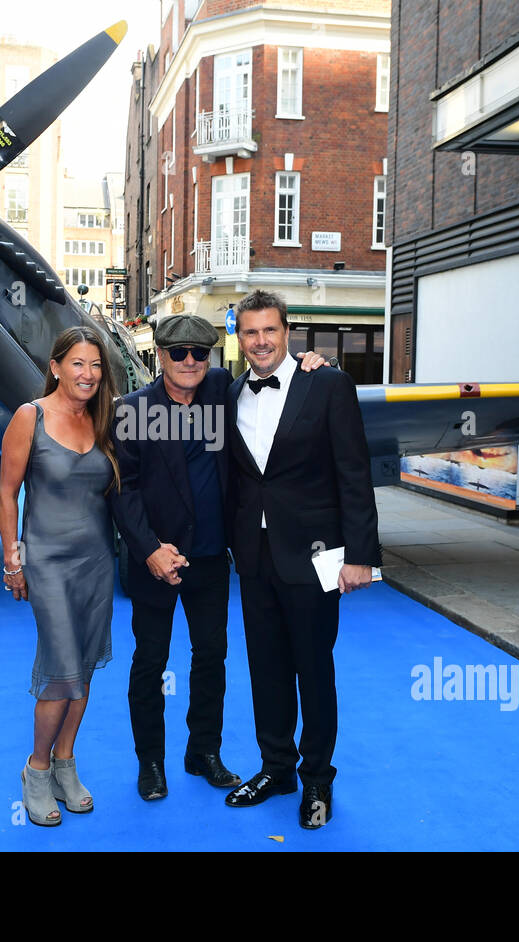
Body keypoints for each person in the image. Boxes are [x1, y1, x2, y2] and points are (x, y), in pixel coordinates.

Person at [111, 314, 327, 802]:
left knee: (212, 658)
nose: (190, 361)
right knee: (150, 662)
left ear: (210, 357)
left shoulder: (220, 391)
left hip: (210, 557)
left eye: (199, 352)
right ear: (159, 355)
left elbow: (278, 379)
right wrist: (148, 549)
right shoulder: (132, 411)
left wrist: (314, 363)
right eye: (178, 352)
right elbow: (125, 490)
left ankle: (203, 751)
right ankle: (150, 762)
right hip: (156, 562)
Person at [224, 290, 379, 830]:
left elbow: (354, 475)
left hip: (317, 557)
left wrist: (361, 557)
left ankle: (317, 779)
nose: (261, 341)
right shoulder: (230, 393)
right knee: (266, 669)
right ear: (238, 337)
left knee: (313, 671)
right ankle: (276, 769)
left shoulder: (328, 384)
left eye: (270, 330)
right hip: (254, 556)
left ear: (287, 332)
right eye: (250, 332)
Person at [0, 324, 120, 827]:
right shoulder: (30, 417)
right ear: (55, 366)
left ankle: (67, 763)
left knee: (85, 667)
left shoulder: (105, 418)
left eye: (95, 365)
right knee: (61, 672)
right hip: (46, 563)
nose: (88, 374)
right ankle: (37, 769)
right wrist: (13, 559)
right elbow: (7, 494)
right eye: (77, 363)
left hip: (97, 563)